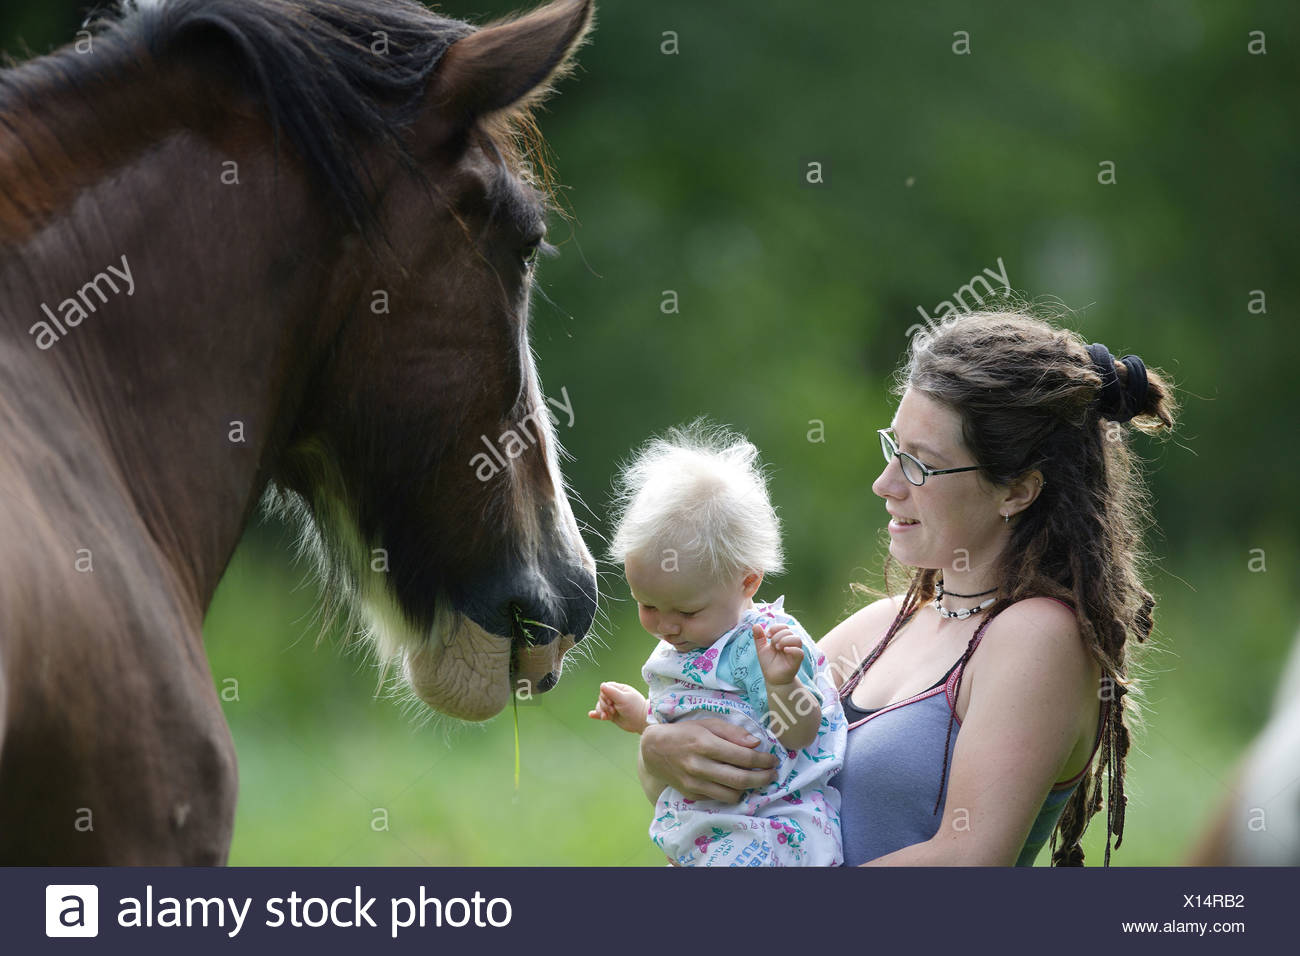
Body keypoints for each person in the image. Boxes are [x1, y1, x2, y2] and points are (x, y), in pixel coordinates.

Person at [637, 309, 1178, 866]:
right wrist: (658, 754)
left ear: (1015, 491)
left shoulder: (1037, 638)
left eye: (921, 465)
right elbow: (749, 775)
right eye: (894, 449)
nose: (886, 483)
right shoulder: (881, 626)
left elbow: (968, 858)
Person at [590, 421, 847, 866]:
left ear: (747, 581)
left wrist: (783, 685)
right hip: (709, 836)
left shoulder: (763, 645)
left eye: (686, 612)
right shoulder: (684, 648)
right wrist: (639, 716)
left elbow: (802, 734)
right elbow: (686, 720)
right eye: (647, 605)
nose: (666, 627)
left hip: (770, 832)